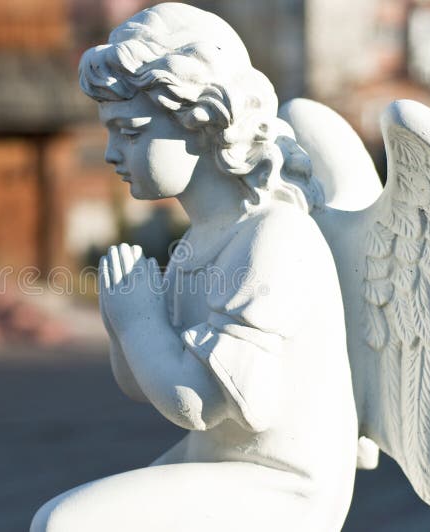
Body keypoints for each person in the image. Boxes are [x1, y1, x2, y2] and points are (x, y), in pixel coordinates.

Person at [31, 4, 358, 530]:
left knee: (67, 524)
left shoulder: (275, 236)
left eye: (130, 132)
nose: (112, 154)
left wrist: (139, 319)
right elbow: (145, 384)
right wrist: (123, 319)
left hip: (283, 483)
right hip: (214, 458)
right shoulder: (198, 243)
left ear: (201, 122)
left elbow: (195, 401)